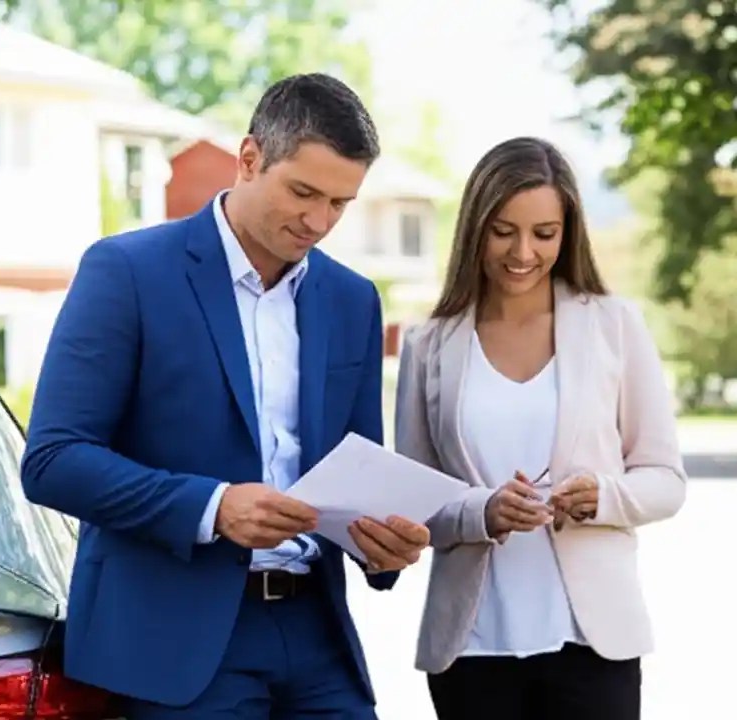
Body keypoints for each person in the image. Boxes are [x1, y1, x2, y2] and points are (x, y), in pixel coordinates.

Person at [21, 73, 431, 719]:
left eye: (340, 203)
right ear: (249, 158)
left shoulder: (352, 299)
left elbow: (356, 474)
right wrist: (212, 508)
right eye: (303, 192)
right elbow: (54, 460)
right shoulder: (127, 271)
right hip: (178, 642)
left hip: (317, 636)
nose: (318, 222)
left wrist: (384, 546)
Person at [393, 137, 686, 720]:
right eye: (503, 231)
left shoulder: (613, 325)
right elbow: (412, 501)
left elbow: (666, 480)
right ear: (475, 227)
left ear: (567, 233)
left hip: (591, 643)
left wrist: (603, 496)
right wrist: (483, 512)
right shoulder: (429, 345)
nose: (523, 252)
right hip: (472, 651)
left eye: (544, 234)